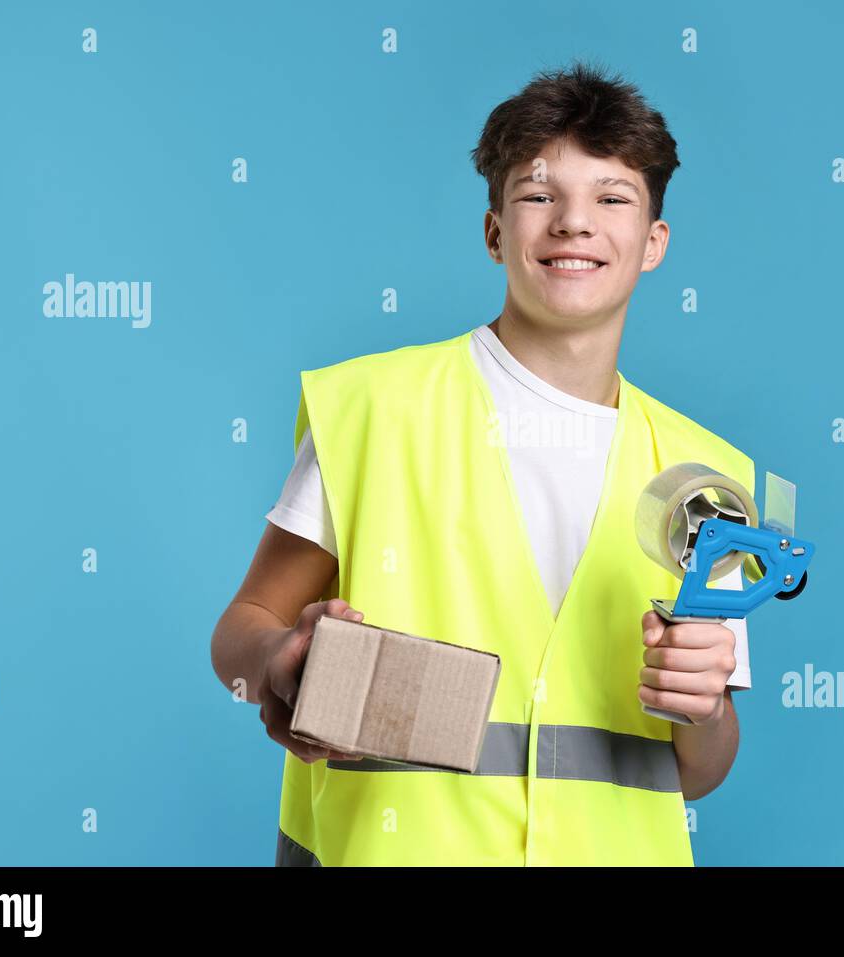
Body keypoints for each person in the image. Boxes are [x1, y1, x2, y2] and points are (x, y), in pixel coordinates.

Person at [210, 59, 756, 866]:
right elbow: (240, 633)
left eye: (612, 198)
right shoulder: (375, 411)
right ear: (496, 230)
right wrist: (277, 661)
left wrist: (704, 712)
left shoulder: (704, 480)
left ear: (653, 243)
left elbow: (699, 770)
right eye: (540, 195)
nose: (574, 223)